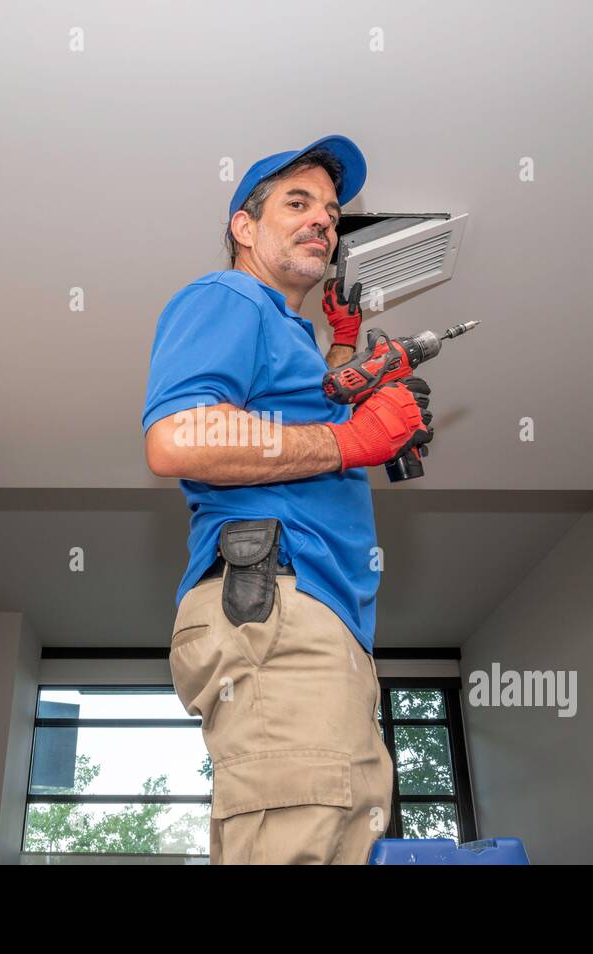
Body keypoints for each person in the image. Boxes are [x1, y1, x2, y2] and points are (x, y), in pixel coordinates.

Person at [141, 135, 433, 864]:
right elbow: (178, 436)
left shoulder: (290, 329)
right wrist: (352, 442)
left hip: (322, 618)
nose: (323, 223)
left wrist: (341, 352)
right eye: (296, 204)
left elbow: (294, 416)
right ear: (244, 226)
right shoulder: (228, 295)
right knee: (301, 832)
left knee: (332, 832)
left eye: (331, 213)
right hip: (278, 604)